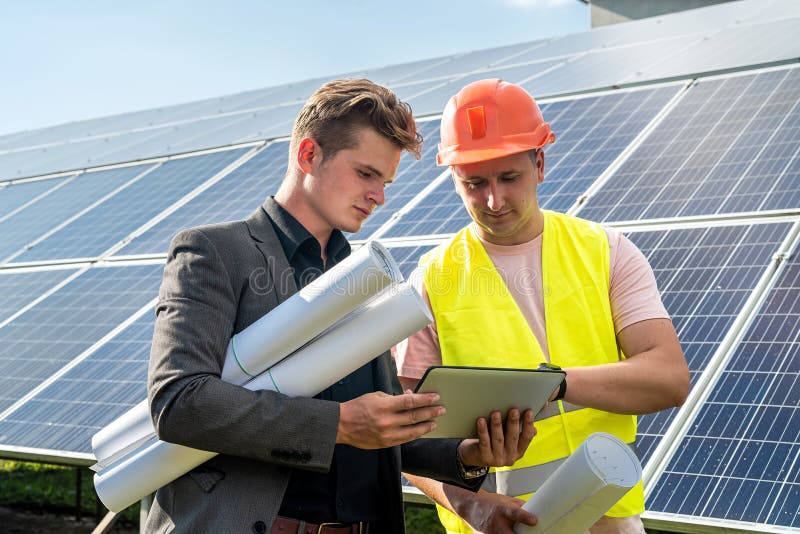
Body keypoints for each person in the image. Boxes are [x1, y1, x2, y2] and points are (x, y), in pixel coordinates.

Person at [145, 78, 536, 534]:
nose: (380, 196)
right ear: (308, 154)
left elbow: (379, 428)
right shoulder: (215, 251)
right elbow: (179, 402)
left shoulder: (369, 279)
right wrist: (338, 425)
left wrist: (467, 454)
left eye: (386, 181)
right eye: (366, 174)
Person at [394, 78, 691, 534]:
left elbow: (668, 379)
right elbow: (405, 436)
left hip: (606, 519)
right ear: (453, 181)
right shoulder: (432, 280)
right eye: (474, 184)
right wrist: (472, 506)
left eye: (509, 177)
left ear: (540, 163)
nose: (493, 201)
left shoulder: (606, 251)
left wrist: (552, 385)